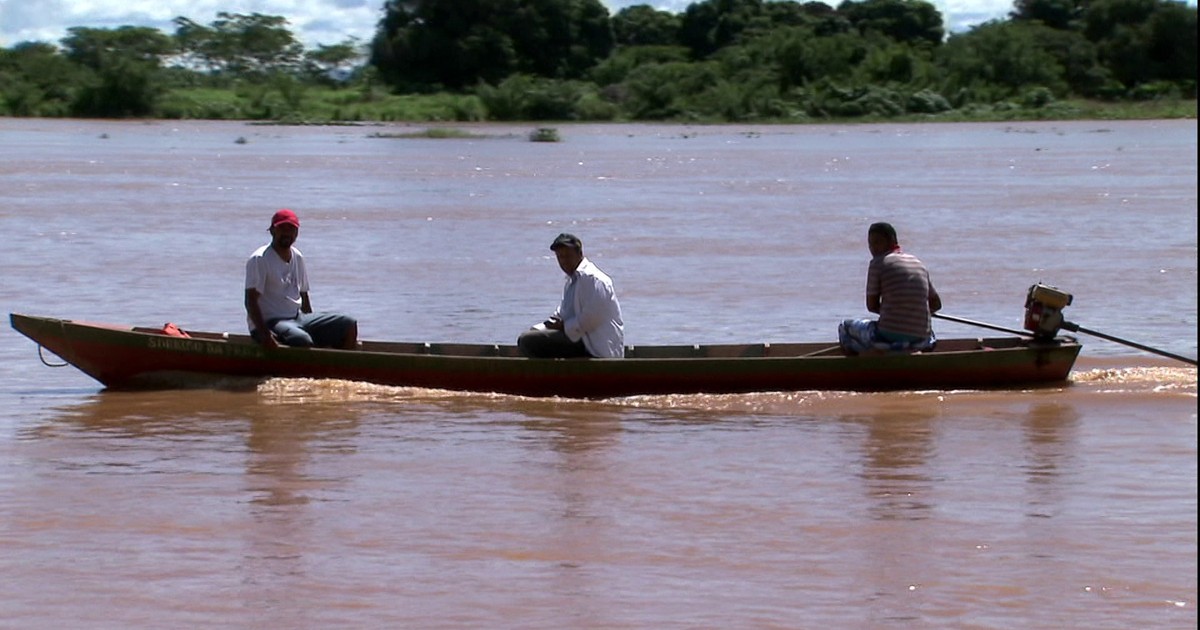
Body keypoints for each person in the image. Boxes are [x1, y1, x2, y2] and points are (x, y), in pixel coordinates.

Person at [244, 209, 358, 350]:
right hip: (270, 323)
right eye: (282, 228)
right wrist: (265, 335)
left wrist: (314, 328)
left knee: (348, 324)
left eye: (291, 229)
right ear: (273, 231)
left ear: (296, 233)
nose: (287, 233)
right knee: (302, 339)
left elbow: (304, 295)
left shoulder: (297, 257)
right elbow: (250, 301)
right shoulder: (260, 259)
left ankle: (340, 369)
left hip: (297, 319)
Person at [839, 221, 942, 354]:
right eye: (870, 244)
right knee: (930, 334)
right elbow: (936, 304)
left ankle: (863, 364)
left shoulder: (877, 263)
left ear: (891, 241)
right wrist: (914, 313)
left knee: (844, 327)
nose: (873, 248)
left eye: (877, 242)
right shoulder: (918, 263)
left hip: (888, 337)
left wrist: (896, 313)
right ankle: (907, 352)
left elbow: (872, 306)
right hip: (922, 339)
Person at [517, 233, 625, 358]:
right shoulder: (572, 281)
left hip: (596, 348)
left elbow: (591, 318)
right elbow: (562, 313)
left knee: (527, 341)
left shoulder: (594, 279)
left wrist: (563, 326)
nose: (564, 261)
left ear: (579, 254)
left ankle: (549, 375)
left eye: (568, 256)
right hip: (580, 340)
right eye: (560, 257)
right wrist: (542, 327)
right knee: (532, 334)